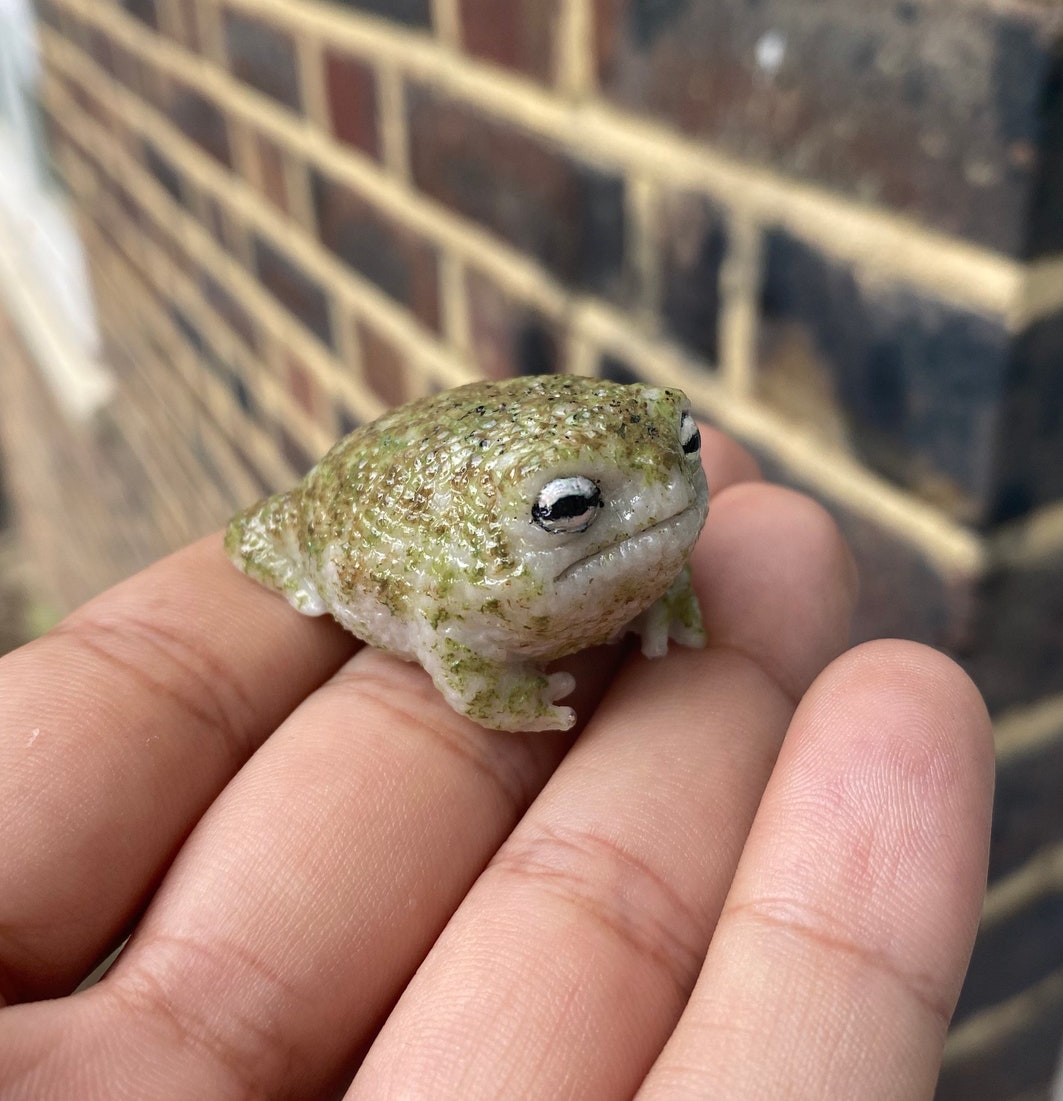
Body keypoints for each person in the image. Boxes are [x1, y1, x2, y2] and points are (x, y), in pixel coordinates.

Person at [0, 429, 993, 1099]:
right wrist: (507, 695)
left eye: (684, 443)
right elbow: (448, 631)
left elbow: (662, 513)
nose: (677, 484)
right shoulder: (470, 574)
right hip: (366, 506)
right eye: (574, 503)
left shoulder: (650, 502)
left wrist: (666, 583)